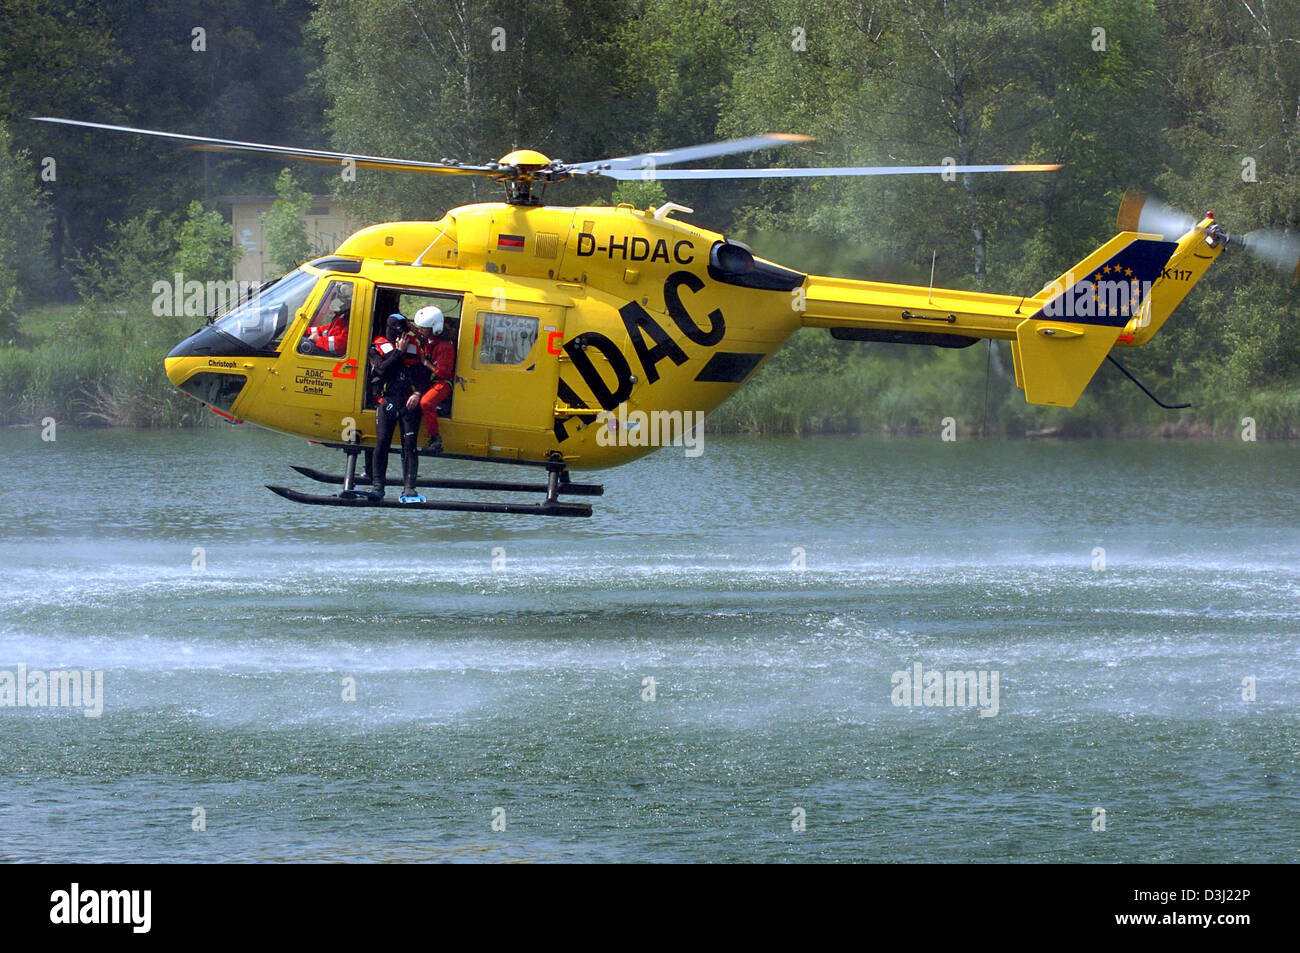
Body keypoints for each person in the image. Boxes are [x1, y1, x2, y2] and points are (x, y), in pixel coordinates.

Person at [367, 312, 429, 501]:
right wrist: (398, 352)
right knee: (382, 443)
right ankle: (378, 487)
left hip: (409, 403)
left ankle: (409, 487)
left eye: (405, 332)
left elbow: (424, 374)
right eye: (400, 332)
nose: (403, 337)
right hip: (387, 402)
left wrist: (418, 393)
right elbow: (381, 370)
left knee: (409, 446)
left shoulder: (414, 346)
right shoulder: (376, 346)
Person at [411, 306, 456, 454]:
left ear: (434, 328)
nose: (421, 330)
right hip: (434, 380)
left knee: (426, 402)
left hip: (444, 382)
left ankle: (435, 439)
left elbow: (442, 373)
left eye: (424, 328)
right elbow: (420, 334)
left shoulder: (445, 347)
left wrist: (425, 363)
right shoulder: (431, 339)